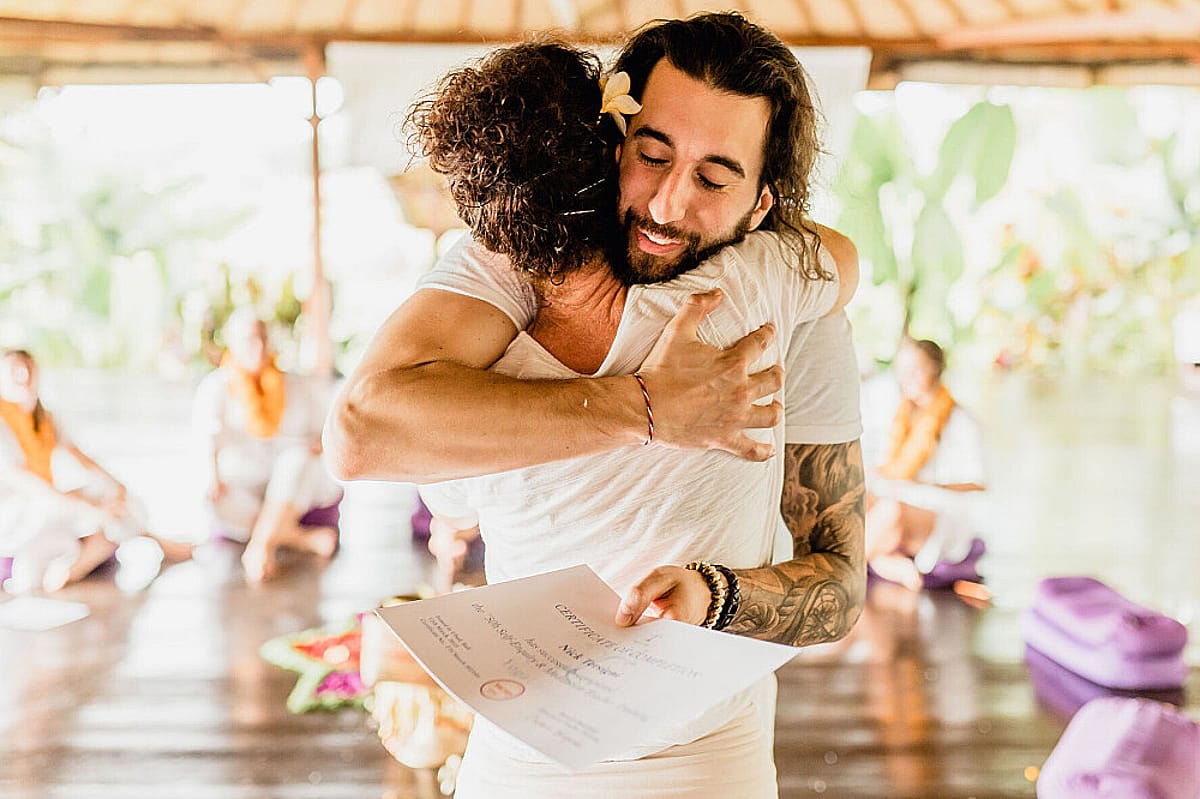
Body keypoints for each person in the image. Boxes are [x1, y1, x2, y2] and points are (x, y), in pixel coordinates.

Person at [327, 16, 866, 797]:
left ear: (762, 208)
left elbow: (840, 587)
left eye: (715, 179)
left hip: (710, 759)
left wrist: (715, 595)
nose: (669, 205)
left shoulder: (787, 292)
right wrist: (647, 406)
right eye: (652, 156)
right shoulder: (511, 260)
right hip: (519, 747)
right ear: (609, 141)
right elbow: (359, 430)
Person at [0, 349, 191, 593]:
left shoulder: (44, 417)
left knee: (119, 500)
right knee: (107, 515)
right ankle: (157, 544)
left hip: (50, 510)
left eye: (28, 367)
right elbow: (33, 488)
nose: (24, 374)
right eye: (14, 369)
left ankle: (73, 567)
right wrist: (93, 507)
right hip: (20, 516)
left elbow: (81, 457)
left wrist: (117, 486)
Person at [193, 309, 342, 582]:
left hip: (292, 487)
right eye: (250, 339)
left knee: (296, 461)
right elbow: (207, 436)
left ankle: (259, 547)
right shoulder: (217, 386)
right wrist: (213, 476)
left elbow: (325, 433)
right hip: (245, 485)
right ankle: (298, 539)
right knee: (211, 497)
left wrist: (312, 448)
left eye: (262, 338)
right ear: (232, 344)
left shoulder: (295, 384)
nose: (259, 347)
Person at [864, 338, 987, 590]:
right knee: (855, 493)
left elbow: (978, 485)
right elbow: (891, 470)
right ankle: (884, 561)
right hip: (903, 497)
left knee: (892, 511)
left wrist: (924, 484)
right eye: (903, 370)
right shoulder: (902, 415)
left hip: (941, 511)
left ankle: (842, 569)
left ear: (934, 369)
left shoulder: (962, 421)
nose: (906, 377)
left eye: (915, 369)